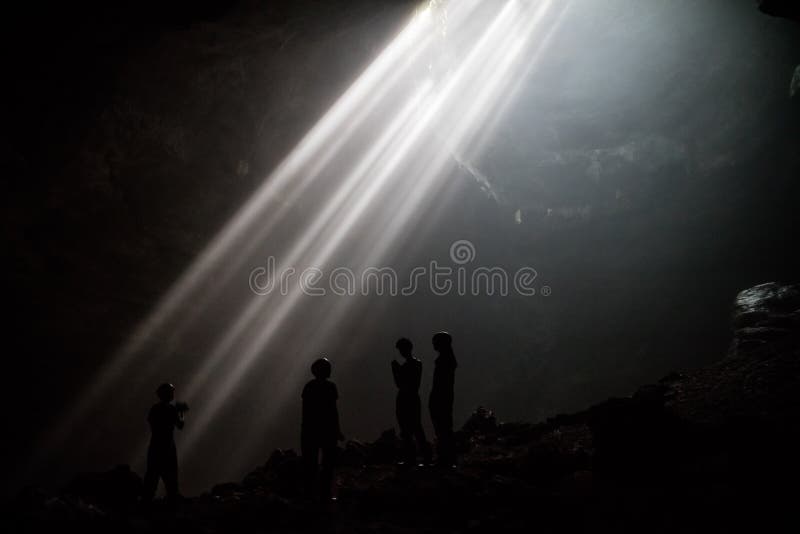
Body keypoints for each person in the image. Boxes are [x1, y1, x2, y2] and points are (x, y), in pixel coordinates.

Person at [301, 357, 344, 500]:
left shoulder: (309, 387)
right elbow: (333, 411)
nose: (330, 370)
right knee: (327, 464)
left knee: (312, 464)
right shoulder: (330, 387)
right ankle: (324, 493)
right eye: (327, 368)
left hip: (311, 430)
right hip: (326, 430)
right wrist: (337, 430)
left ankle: (311, 494)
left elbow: (306, 412)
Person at [142, 382, 186, 506]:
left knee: (152, 478)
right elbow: (180, 425)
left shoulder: (155, 408)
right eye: (171, 392)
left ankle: (146, 505)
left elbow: (152, 425)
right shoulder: (171, 409)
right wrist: (181, 412)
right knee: (170, 480)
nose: (173, 394)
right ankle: (171, 507)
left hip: (156, 447)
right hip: (167, 448)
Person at [392, 338, 432, 466]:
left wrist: (395, 370)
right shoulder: (416, 364)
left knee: (411, 429)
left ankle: (415, 458)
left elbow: (400, 383)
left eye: (401, 349)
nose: (400, 352)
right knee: (413, 428)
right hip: (412, 399)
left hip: (407, 399)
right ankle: (419, 457)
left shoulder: (411, 365)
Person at [429, 331, 457, 467]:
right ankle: (446, 457)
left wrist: (434, 397)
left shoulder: (444, 360)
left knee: (442, 427)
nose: (433, 344)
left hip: (441, 398)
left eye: (435, 342)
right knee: (444, 427)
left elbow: (440, 383)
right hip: (444, 397)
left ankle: (445, 458)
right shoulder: (448, 359)